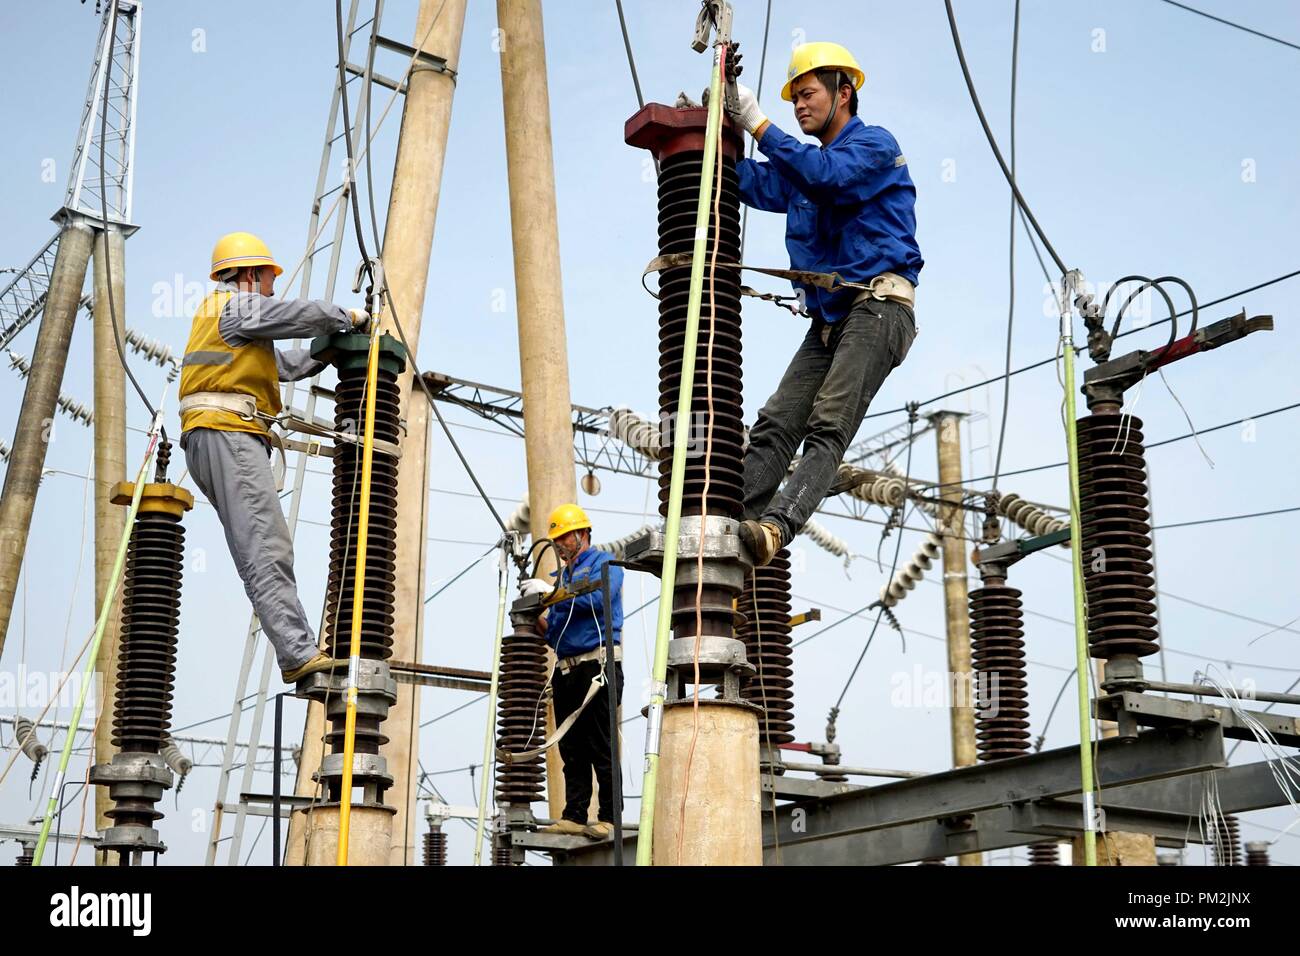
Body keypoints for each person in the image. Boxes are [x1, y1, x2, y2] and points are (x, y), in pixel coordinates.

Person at [728, 42, 924, 566]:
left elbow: (825, 177)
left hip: (879, 307)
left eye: (808, 93)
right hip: (830, 320)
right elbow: (749, 179)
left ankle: (774, 527)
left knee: (828, 423)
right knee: (775, 424)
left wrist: (757, 124)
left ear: (845, 93)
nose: (800, 105)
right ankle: (727, 525)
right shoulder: (803, 171)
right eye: (794, 98)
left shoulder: (874, 148)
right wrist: (709, 133)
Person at [178, 231, 369, 683]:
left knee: (256, 546)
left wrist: (325, 353)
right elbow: (295, 315)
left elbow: (282, 366)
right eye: (267, 278)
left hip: (209, 437)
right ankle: (299, 654)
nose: (270, 287)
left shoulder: (219, 317)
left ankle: (296, 649)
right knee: (266, 546)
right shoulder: (237, 304)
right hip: (230, 434)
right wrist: (349, 317)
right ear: (247, 273)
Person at [522, 503, 624, 840]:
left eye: (565, 536)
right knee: (572, 748)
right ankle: (575, 814)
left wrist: (551, 596)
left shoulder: (604, 563)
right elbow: (555, 632)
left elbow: (598, 600)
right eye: (557, 539)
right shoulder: (561, 579)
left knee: (600, 745)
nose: (560, 544)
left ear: (583, 533)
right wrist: (534, 611)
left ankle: (610, 816)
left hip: (598, 666)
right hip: (567, 671)